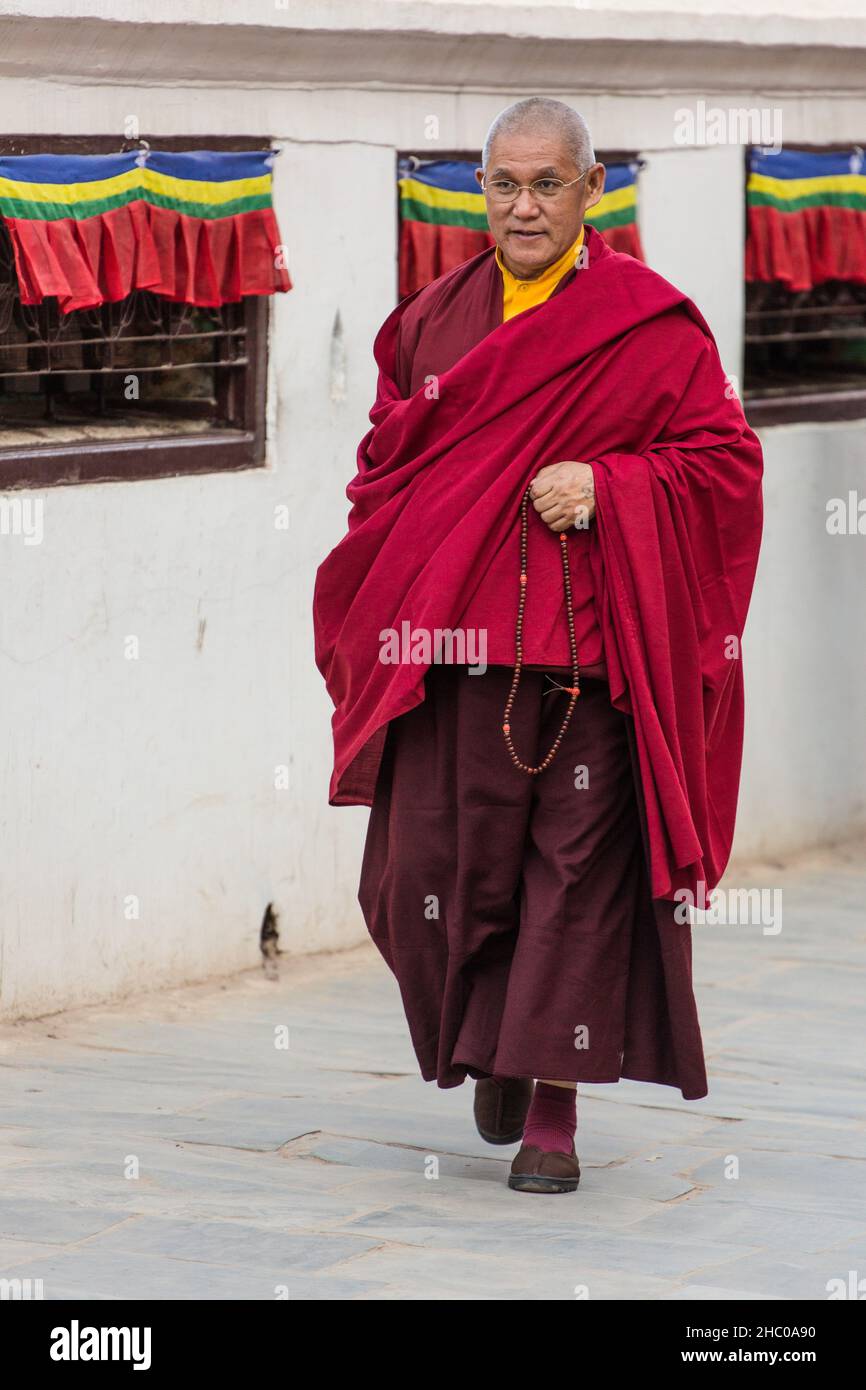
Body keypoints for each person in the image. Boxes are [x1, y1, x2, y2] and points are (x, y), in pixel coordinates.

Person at [313, 97, 764, 1194]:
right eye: (503, 185)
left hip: (592, 668)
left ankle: (550, 1111)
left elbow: (723, 465)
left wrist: (612, 484)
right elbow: (386, 482)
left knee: (574, 884)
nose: (523, 206)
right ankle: (491, 1040)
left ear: (589, 188)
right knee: (429, 878)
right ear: (482, 192)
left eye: (545, 184)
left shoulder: (646, 323)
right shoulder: (428, 325)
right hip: (456, 658)